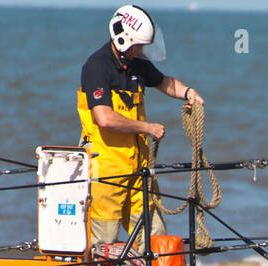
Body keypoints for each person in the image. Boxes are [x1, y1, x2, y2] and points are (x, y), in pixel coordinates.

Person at [78, 5, 205, 247]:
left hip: (139, 170)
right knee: (104, 241)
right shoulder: (97, 66)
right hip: (107, 170)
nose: (142, 50)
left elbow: (164, 82)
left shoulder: (136, 63)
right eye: (139, 45)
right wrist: (147, 128)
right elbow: (103, 117)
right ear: (124, 39)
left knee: (154, 234)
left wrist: (189, 93)